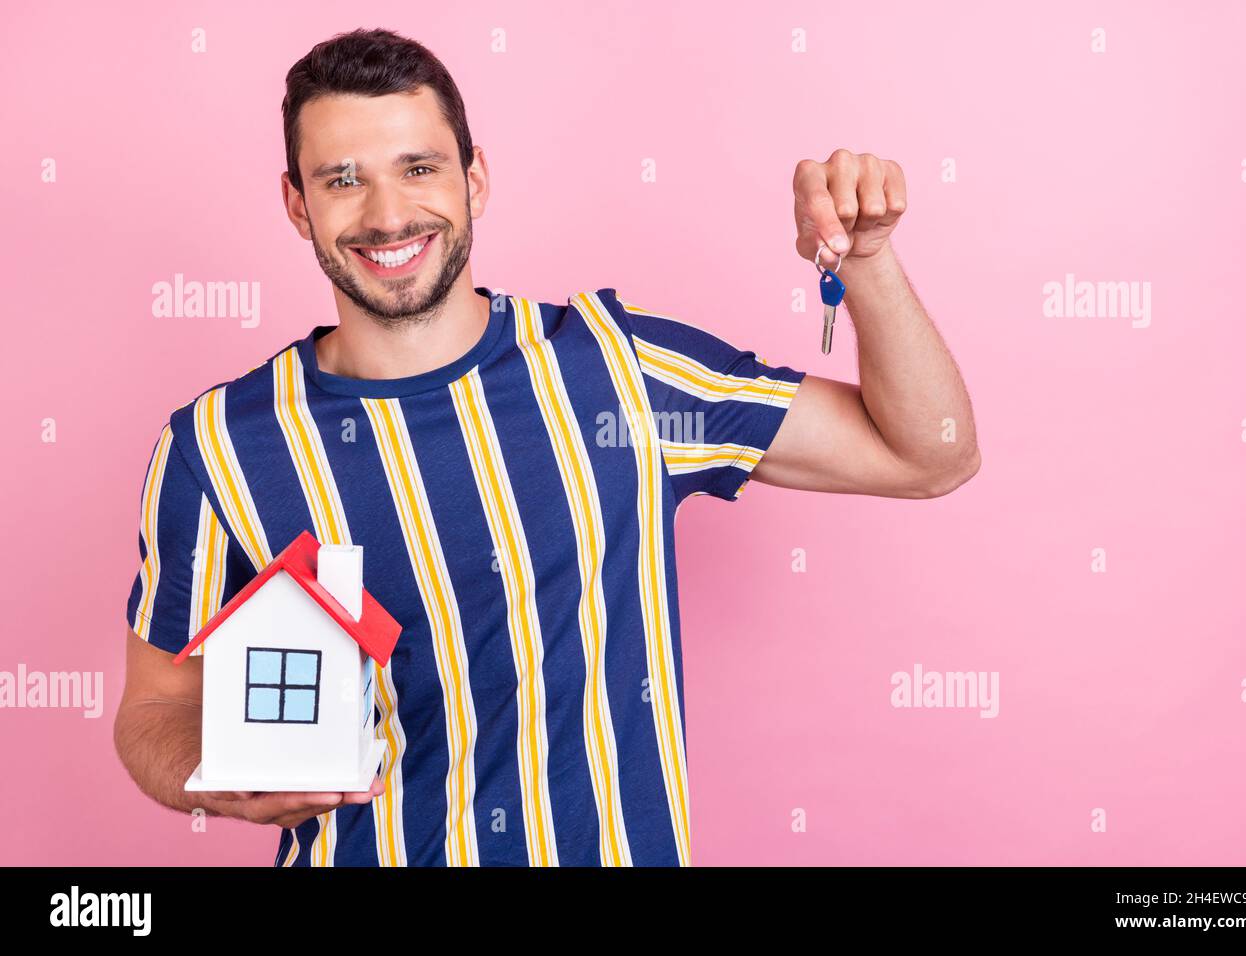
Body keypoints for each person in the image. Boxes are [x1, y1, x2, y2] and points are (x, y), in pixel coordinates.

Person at [114, 27, 980, 867]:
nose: (386, 215)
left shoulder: (622, 372)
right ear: (297, 203)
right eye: (342, 180)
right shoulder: (217, 445)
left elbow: (929, 454)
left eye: (419, 168)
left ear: (475, 179)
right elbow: (154, 707)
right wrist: (214, 777)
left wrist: (864, 258)